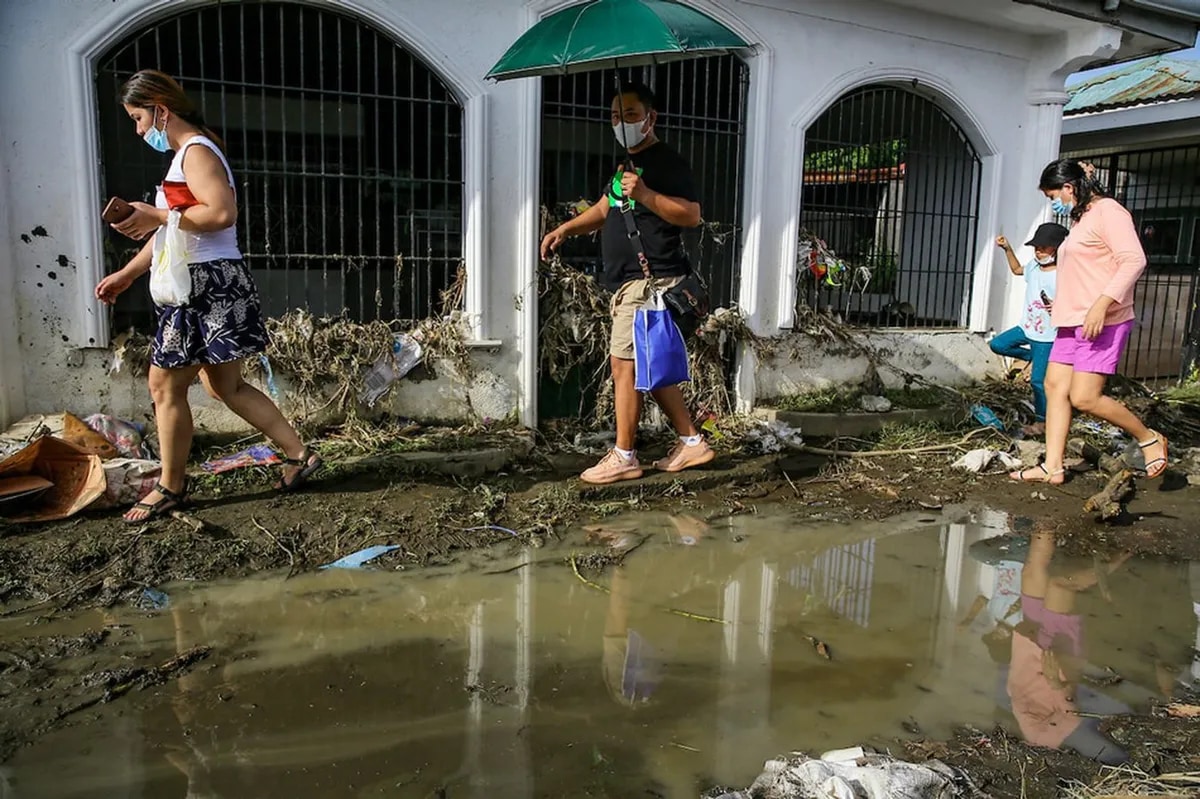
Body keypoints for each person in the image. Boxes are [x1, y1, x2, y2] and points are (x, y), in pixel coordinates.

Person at [95, 70, 322, 523]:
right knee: (224, 386)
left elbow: (221, 213)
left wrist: (159, 215)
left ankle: (170, 487)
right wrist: (126, 274)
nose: (138, 131)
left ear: (161, 110)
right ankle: (301, 455)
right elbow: (174, 232)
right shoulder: (189, 154)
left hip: (205, 285)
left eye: (138, 118)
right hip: (213, 280)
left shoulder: (195, 152)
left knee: (164, 386)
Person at [540, 82, 714, 485]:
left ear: (651, 118)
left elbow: (691, 215)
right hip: (633, 284)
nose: (622, 123)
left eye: (631, 115)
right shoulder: (625, 167)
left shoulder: (665, 163)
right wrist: (565, 229)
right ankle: (691, 442)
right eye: (616, 116)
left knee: (625, 365)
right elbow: (605, 209)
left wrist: (648, 195)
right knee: (648, 365)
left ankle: (624, 455)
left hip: (649, 281)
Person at [1010, 159, 1167, 484]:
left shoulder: (1110, 212)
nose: (1053, 203)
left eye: (1053, 195)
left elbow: (1134, 260)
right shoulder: (1084, 217)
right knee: (1055, 386)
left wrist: (1102, 304)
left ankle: (1149, 437)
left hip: (1101, 321)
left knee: (1085, 397)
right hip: (1071, 320)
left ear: (1068, 188)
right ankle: (1053, 466)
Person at [991, 223, 1068, 436]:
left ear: (1058, 249)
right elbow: (1017, 270)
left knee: (1038, 381)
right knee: (998, 345)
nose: (1038, 251)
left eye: (1043, 247)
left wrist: (1060, 305)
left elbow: (1077, 299)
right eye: (1036, 247)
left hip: (1047, 335)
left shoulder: (1064, 274)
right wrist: (1007, 249)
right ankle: (1033, 358)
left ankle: (1043, 422)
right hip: (1026, 327)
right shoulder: (1034, 266)